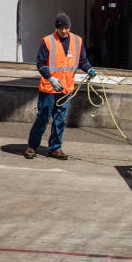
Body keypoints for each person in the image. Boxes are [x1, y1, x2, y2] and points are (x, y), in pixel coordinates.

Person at [24, 13, 96, 160]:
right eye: (61, 28)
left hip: (66, 88)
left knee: (60, 119)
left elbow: (82, 61)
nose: (64, 31)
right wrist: (51, 78)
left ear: (70, 27)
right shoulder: (48, 41)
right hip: (49, 88)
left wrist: (89, 69)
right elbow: (41, 64)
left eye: (66, 28)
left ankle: (55, 148)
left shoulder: (77, 41)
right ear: (56, 28)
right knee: (43, 118)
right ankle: (32, 146)